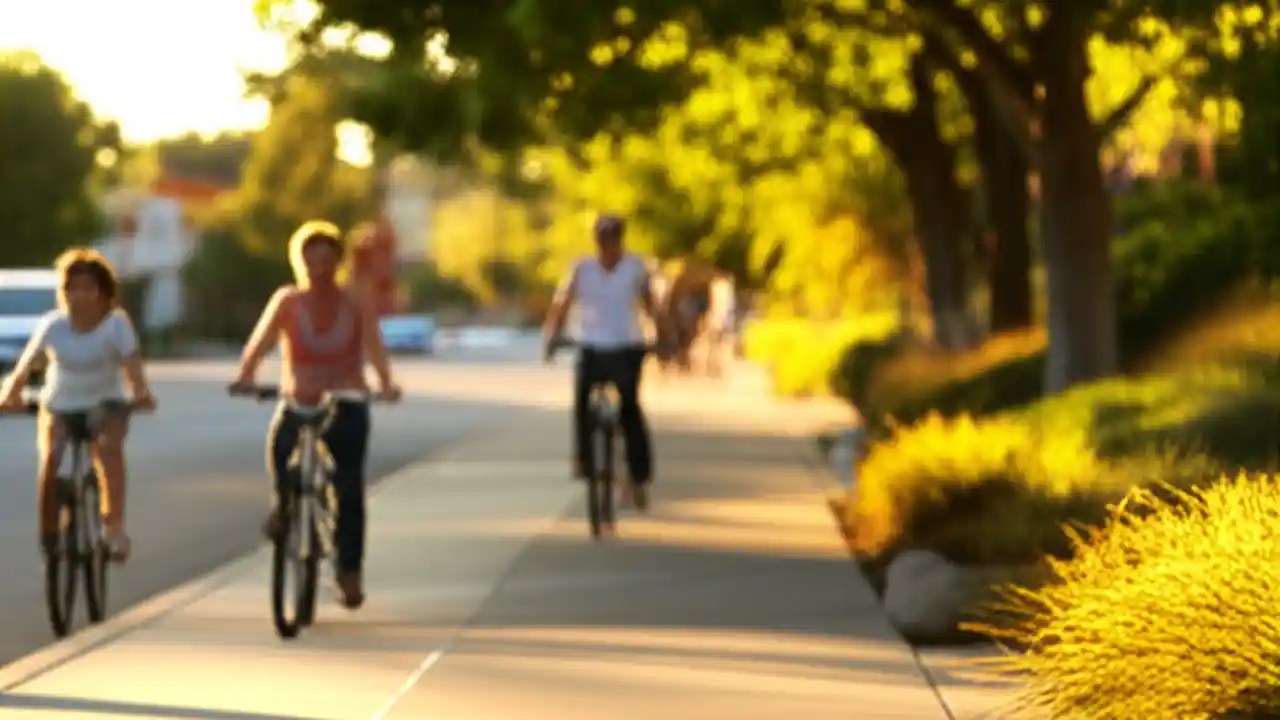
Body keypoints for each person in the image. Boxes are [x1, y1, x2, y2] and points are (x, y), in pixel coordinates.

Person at [230, 220, 401, 609]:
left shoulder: (356, 299)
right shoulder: (288, 301)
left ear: (337, 263)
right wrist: (245, 375)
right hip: (299, 398)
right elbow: (260, 343)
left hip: (347, 400)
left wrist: (386, 384)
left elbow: (373, 346)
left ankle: (348, 571)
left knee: (348, 485)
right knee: (280, 443)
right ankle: (282, 507)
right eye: (310, 262)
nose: (317, 270)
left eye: (326, 261)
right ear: (298, 263)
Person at [0, 248, 156, 563]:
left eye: (88, 289)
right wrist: (10, 395)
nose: (80, 297)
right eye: (72, 288)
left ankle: (113, 527)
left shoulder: (116, 326)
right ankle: (49, 536)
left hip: (105, 403)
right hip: (61, 401)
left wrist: (140, 394)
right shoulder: (53, 325)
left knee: (109, 450)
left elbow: (132, 368)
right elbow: (25, 366)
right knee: (51, 458)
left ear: (103, 292)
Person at [542, 214, 674, 510]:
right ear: (596, 241)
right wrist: (552, 337)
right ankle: (584, 461)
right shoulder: (582, 269)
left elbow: (652, 305)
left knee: (630, 409)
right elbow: (561, 305)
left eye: (613, 239)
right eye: (603, 240)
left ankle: (639, 476)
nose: (608, 246)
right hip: (591, 346)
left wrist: (665, 338)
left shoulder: (634, 267)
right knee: (581, 402)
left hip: (627, 347)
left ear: (620, 240)